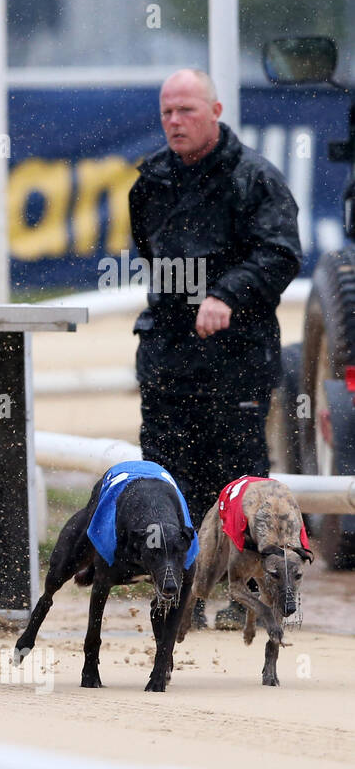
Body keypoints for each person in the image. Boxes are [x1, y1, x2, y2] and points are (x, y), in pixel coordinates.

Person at [129, 69, 302, 629]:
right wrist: (180, 305)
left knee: (238, 484)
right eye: (167, 113)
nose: (175, 122)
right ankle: (175, 600)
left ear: (216, 110)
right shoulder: (150, 182)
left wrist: (226, 293)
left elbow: (281, 254)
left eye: (187, 111)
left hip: (236, 364)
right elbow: (150, 255)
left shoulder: (255, 179)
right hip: (168, 364)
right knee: (169, 482)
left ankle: (246, 598)